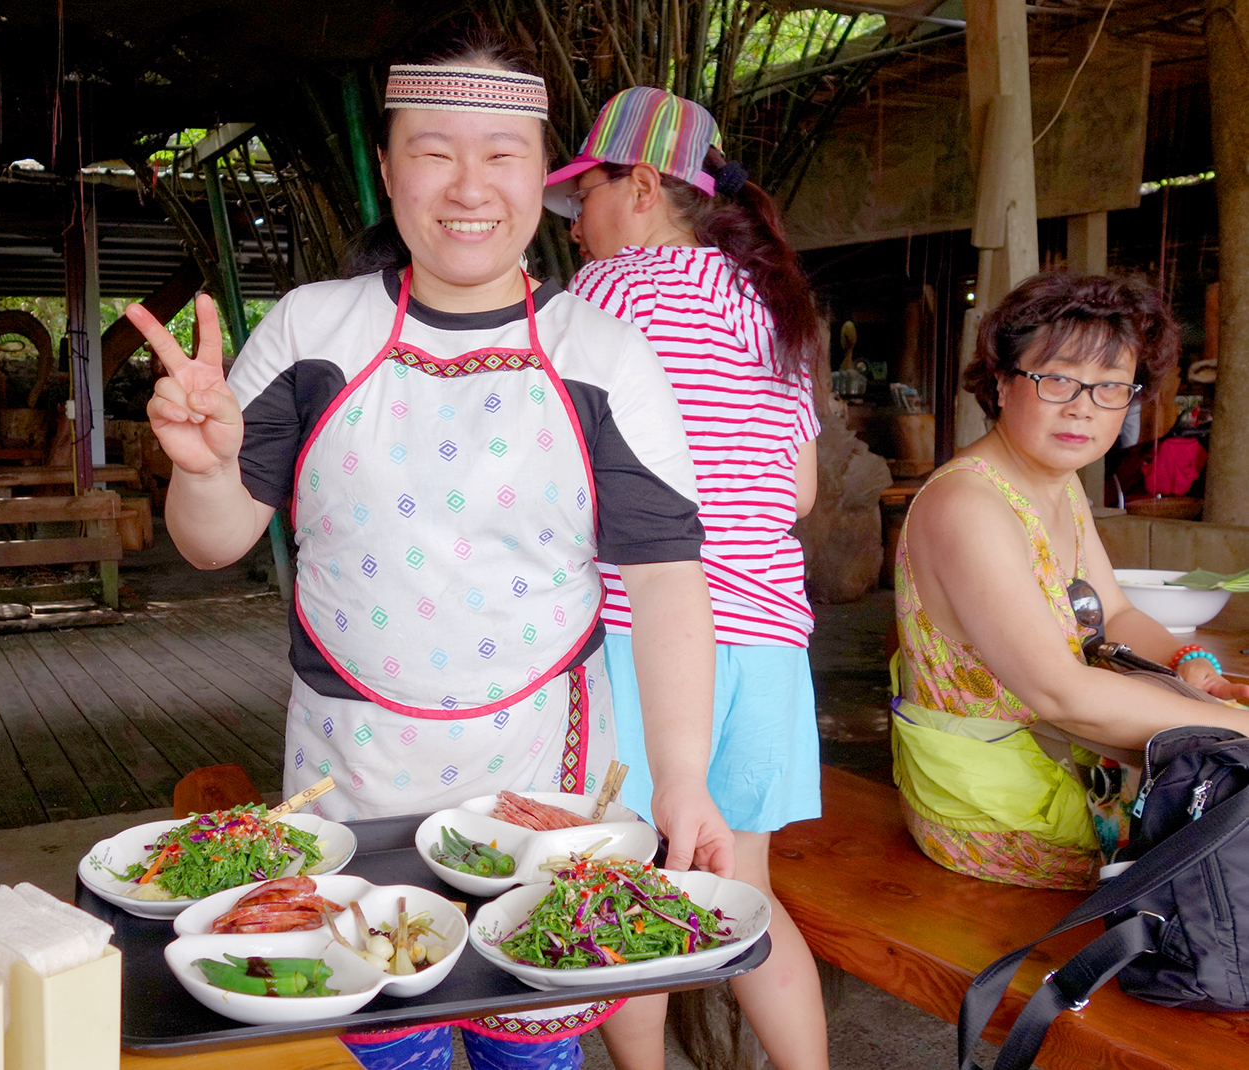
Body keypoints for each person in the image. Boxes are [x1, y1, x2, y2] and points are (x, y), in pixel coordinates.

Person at [124, 25, 735, 1070]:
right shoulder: (313, 331)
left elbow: (670, 579)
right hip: (352, 782)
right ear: (387, 166)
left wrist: (685, 776)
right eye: (433, 149)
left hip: (544, 781)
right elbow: (216, 542)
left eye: (502, 154)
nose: (469, 185)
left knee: (529, 1048)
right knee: (384, 1043)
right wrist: (202, 466)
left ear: (542, 173)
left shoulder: (605, 353)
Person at [546, 87, 828, 1070]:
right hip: (768, 639)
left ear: (638, 185)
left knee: (624, 887)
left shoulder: (606, 297)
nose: (573, 223)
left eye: (580, 196)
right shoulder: (770, 304)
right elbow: (796, 489)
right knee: (741, 893)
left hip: (648, 635)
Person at [893, 272, 1249, 891]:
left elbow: (1114, 612)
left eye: (1111, 388)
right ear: (1003, 382)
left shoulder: (1058, 485)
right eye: (1057, 379)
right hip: (996, 810)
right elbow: (1060, 692)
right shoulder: (968, 503)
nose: (1084, 406)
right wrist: (1235, 727)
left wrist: (1188, 658)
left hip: (1066, 765)